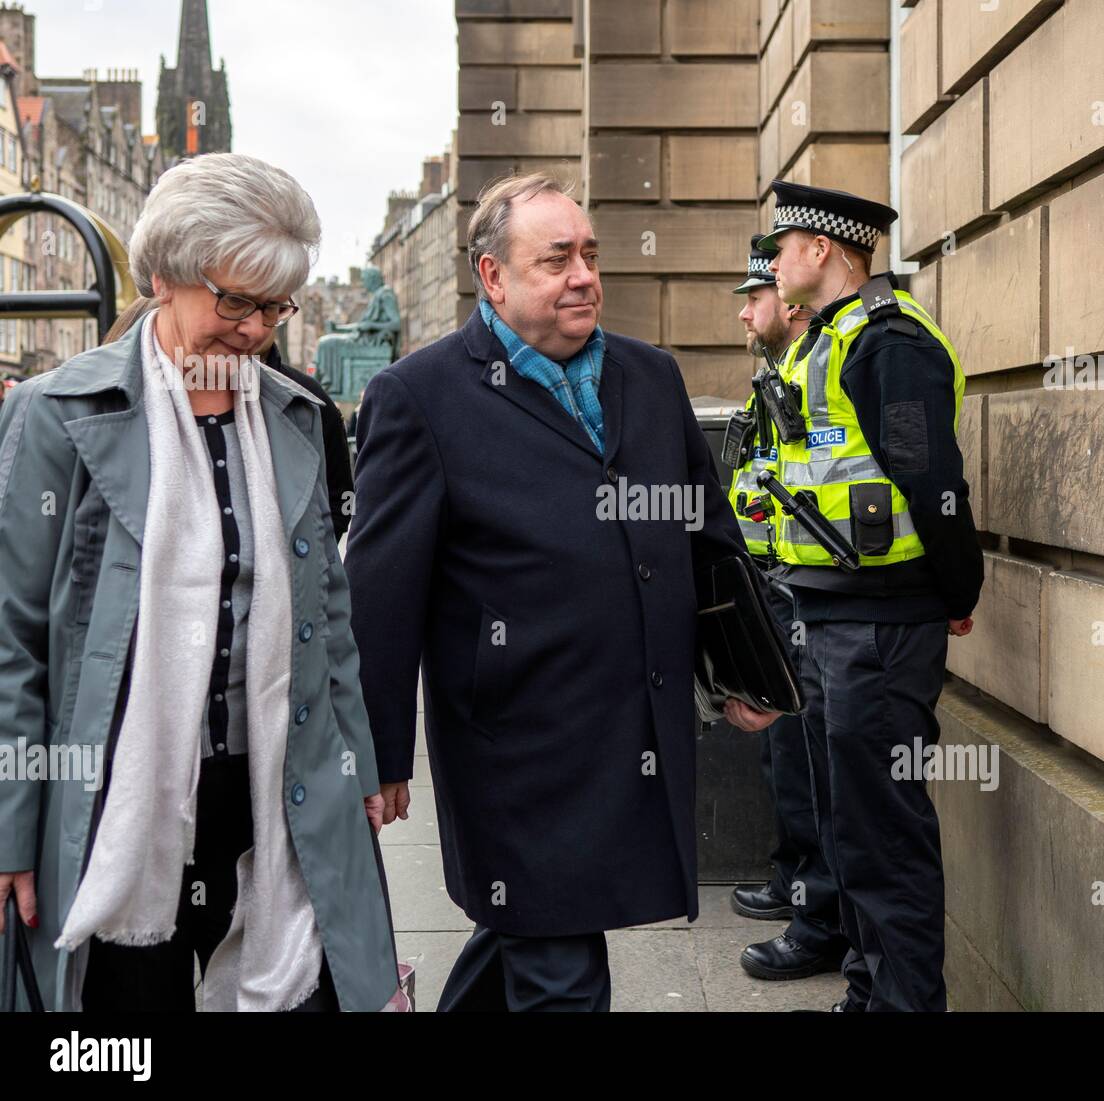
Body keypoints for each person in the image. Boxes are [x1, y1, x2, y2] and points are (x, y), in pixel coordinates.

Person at [345, 173, 777, 1012]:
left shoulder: (651, 377)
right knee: (558, 966)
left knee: (531, 932)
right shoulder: (418, 397)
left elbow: (708, 536)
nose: (583, 274)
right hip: (515, 746)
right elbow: (381, 594)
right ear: (494, 278)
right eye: (556, 260)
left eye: (589, 255)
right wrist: (381, 751)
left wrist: (742, 668)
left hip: (637, 723)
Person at [0, 152, 397, 1012]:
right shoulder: (56, 416)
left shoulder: (298, 418)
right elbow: (14, 642)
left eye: (275, 304)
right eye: (236, 300)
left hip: (275, 789)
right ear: (161, 275)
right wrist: (9, 824)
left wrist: (358, 759)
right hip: (114, 801)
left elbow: (327, 611)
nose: (257, 329)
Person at [759, 180, 983, 1012]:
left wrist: (958, 588)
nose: (774, 262)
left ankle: (903, 1004)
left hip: (883, 626)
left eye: (783, 246)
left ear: (823, 250)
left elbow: (933, 482)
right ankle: (871, 989)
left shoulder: (889, 345)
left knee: (883, 832)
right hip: (833, 618)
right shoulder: (826, 342)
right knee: (848, 826)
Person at [725, 235, 851, 981]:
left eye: (756, 297)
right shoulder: (778, 376)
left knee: (811, 764)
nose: (747, 314)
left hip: (808, 591)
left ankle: (819, 918)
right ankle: (796, 883)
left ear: (793, 308)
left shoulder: (816, 371)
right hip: (775, 586)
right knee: (786, 759)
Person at [107, 297, 356, 543]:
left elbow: (342, 498)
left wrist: (305, 555)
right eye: (238, 303)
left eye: (270, 309)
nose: (254, 326)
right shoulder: (112, 401)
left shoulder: (307, 400)